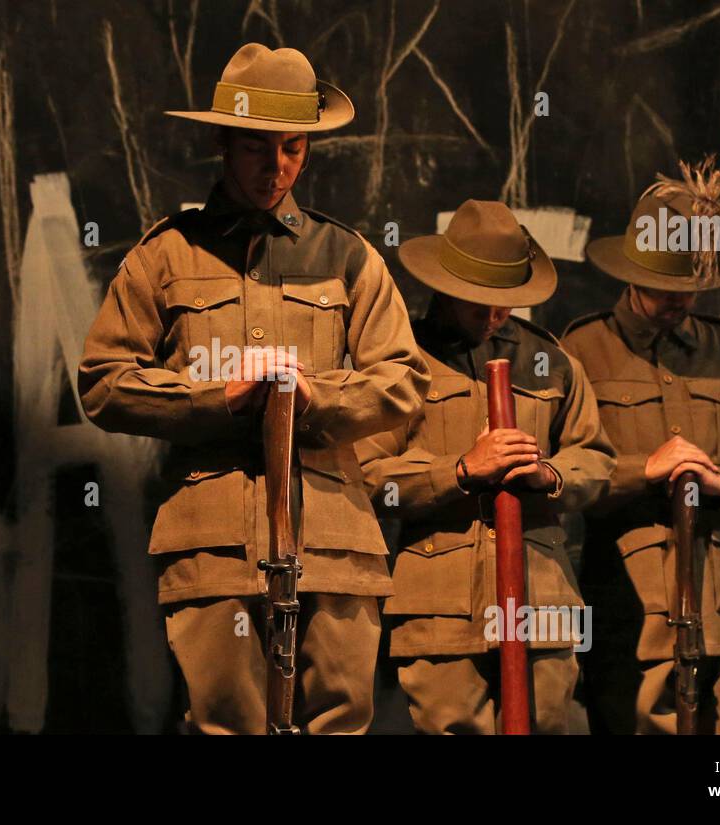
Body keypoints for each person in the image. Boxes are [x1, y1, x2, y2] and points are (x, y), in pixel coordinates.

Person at [78, 43, 428, 733]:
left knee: (338, 721)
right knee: (226, 724)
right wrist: (219, 399)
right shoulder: (167, 254)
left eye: (294, 148)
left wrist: (312, 398)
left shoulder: (348, 255)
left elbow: (403, 382)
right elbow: (103, 382)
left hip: (333, 540)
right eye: (256, 149)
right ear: (222, 142)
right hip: (213, 543)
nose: (278, 168)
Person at [561, 157, 720, 734]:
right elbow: (561, 472)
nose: (679, 300)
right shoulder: (582, 349)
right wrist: (641, 470)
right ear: (631, 272)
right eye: (663, 287)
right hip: (628, 611)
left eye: (690, 288)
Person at [357, 200, 615, 733]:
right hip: (441, 607)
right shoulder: (403, 358)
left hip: (541, 595)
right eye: (480, 304)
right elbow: (368, 475)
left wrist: (550, 476)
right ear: (446, 284)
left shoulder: (553, 361)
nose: (495, 317)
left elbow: (597, 460)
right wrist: (459, 470)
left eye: (505, 304)